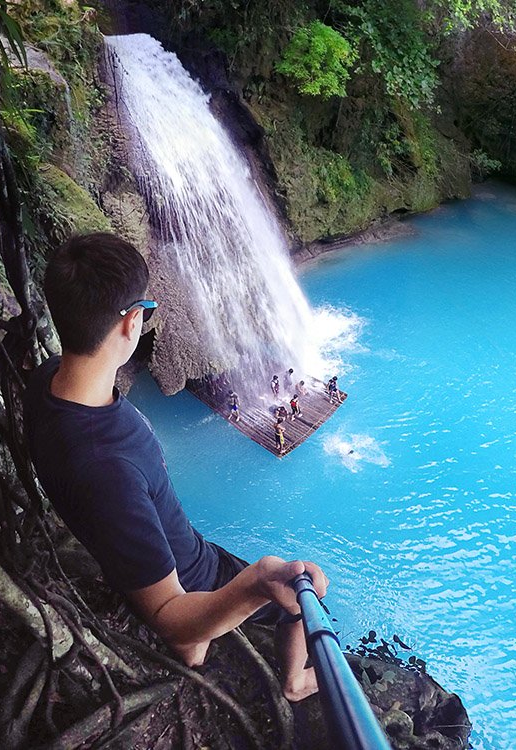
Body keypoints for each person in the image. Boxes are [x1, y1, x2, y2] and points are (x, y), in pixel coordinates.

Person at [23, 233, 327, 701]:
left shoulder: (47, 382)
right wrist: (255, 583)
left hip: (176, 554)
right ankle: (294, 680)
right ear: (130, 322)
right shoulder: (108, 471)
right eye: (147, 307)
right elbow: (174, 621)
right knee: (306, 603)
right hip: (196, 583)